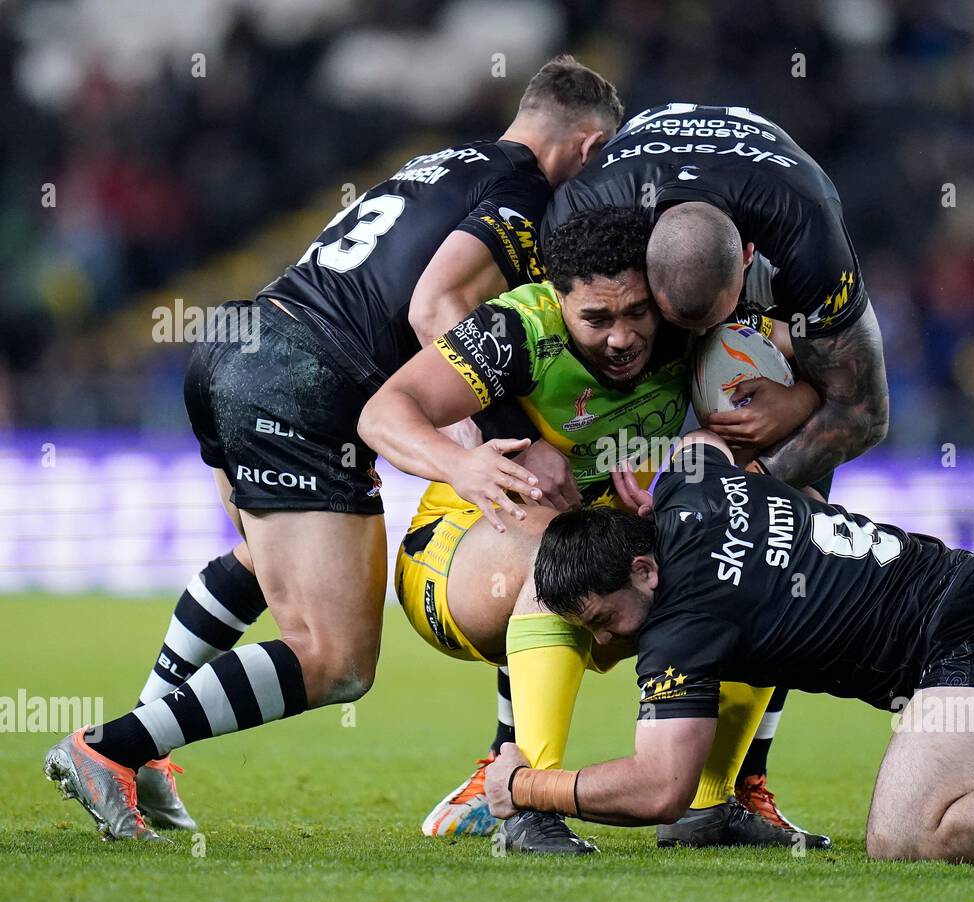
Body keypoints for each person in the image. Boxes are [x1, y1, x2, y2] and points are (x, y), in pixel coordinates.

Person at [44, 56, 625, 841]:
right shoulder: (522, 191)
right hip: (303, 381)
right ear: (588, 150)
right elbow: (438, 305)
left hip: (237, 347)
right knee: (335, 659)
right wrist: (485, 441)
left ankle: (143, 753)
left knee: (260, 561)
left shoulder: (442, 161)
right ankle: (111, 747)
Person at [483, 432, 974, 865]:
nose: (599, 647)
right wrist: (663, 478)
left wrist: (531, 784)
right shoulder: (691, 484)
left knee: (908, 834)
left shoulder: (681, 625)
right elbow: (708, 443)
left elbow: (663, 788)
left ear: (645, 568)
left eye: (601, 620)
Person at [360, 207, 827, 851]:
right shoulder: (518, 330)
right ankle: (529, 804)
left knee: (763, 539)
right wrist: (464, 461)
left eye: (636, 312)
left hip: (615, 552)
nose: (621, 338)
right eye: (597, 319)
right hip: (464, 553)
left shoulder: (696, 321)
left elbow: (834, 363)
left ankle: (707, 806)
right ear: (559, 300)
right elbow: (384, 412)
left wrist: (791, 403)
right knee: (565, 546)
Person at [540, 101, 891, 822]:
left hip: (769, 271)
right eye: (675, 320)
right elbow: (525, 332)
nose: (692, 338)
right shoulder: (587, 213)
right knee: (562, 537)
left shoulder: (807, 237)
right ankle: (514, 761)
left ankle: (740, 786)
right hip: (643, 285)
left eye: (708, 322)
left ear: (746, 281)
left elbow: (866, 413)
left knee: (788, 543)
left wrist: (750, 479)